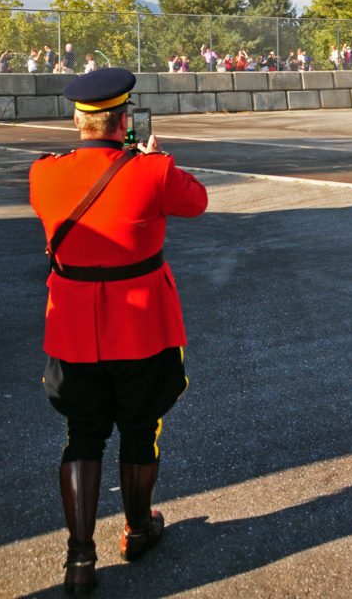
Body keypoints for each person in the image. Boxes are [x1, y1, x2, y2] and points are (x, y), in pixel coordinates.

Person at [29, 68, 208, 595]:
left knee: (82, 435)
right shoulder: (152, 170)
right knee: (139, 429)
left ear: (78, 121)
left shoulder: (44, 174)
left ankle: (80, 559)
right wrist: (152, 159)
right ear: (125, 120)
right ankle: (137, 529)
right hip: (143, 330)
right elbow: (197, 202)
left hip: (73, 330)